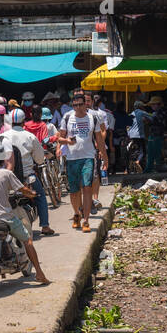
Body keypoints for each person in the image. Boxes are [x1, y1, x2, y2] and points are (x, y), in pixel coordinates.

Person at [0, 146, 50, 284]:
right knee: (28, 240)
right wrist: (32, 194)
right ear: (2, 160)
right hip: (5, 219)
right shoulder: (6, 174)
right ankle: (40, 273)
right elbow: (22, 189)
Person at [0, 108, 54, 236]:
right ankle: (45, 226)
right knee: (41, 197)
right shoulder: (30, 136)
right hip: (27, 177)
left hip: (6, 177)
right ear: (23, 122)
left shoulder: (1, 137)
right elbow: (39, 159)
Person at [54, 91, 106, 232]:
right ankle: (77, 213)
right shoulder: (67, 117)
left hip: (88, 157)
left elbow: (99, 139)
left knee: (87, 188)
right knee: (74, 192)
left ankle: (86, 221)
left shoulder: (92, 118)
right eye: (75, 105)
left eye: (80, 104)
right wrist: (66, 142)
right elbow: (59, 137)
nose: (77, 107)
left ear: (86, 104)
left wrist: (105, 157)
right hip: (72, 159)